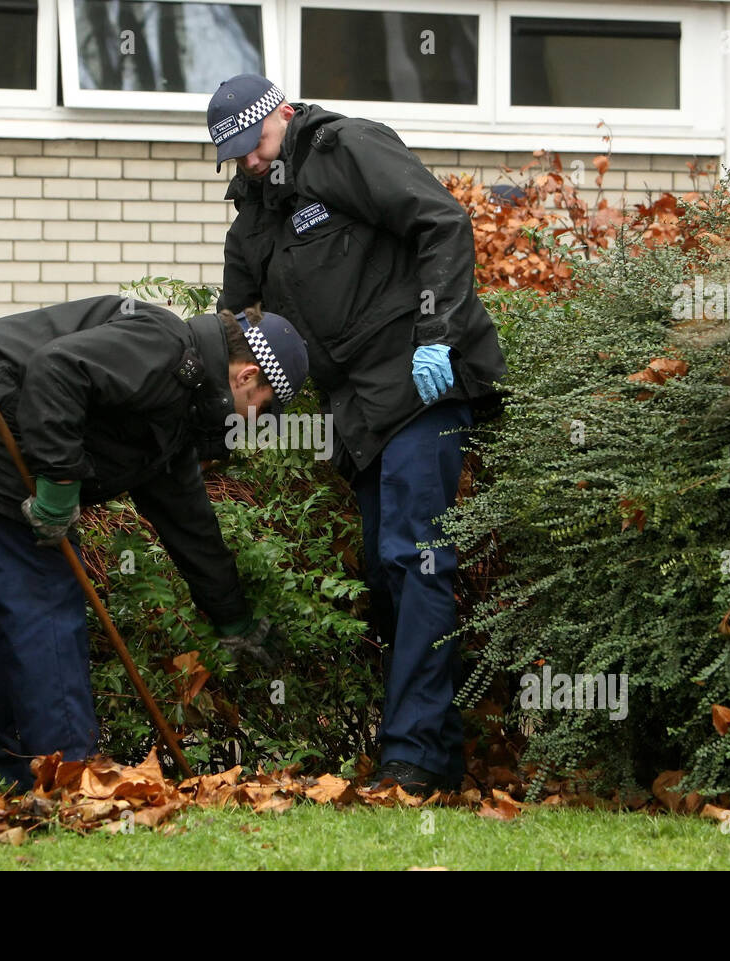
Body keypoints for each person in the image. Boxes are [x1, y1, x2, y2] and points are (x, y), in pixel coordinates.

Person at [206, 74, 507, 796]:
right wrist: (223, 417)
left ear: (282, 114)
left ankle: (406, 758)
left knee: (415, 557)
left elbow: (442, 222)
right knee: (384, 575)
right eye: (236, 155)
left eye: (256, 144)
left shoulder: (347, 148)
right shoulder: (253, 217)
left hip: (419, 379)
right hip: (356, 413)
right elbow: (235, 330)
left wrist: (437, 336)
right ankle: (446, 749)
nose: (249, 162)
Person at [0, 295, 307, 792]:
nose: (252, 425)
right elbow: (58, 368)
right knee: (47, 602)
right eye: (262, 411)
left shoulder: (176, 416)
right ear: (246, 376)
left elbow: (188, 522)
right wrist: (58, 485)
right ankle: (77, 783)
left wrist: (231, 615)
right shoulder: (166, 343)